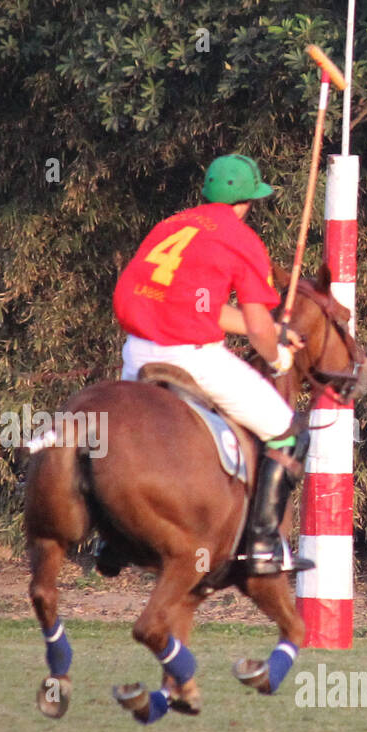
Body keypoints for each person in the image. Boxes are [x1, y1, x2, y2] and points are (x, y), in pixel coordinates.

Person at [112, 153, 310, 573]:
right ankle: (262, 543)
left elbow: (205, 308)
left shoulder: (172, 225)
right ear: (245, 202)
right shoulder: (241, 239)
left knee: (116, 437)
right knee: (287, 432)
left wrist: (273, 330)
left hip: (137, 351)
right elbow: (255, 326)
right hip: (192, 357)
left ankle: (110, 537)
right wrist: (277, 357)